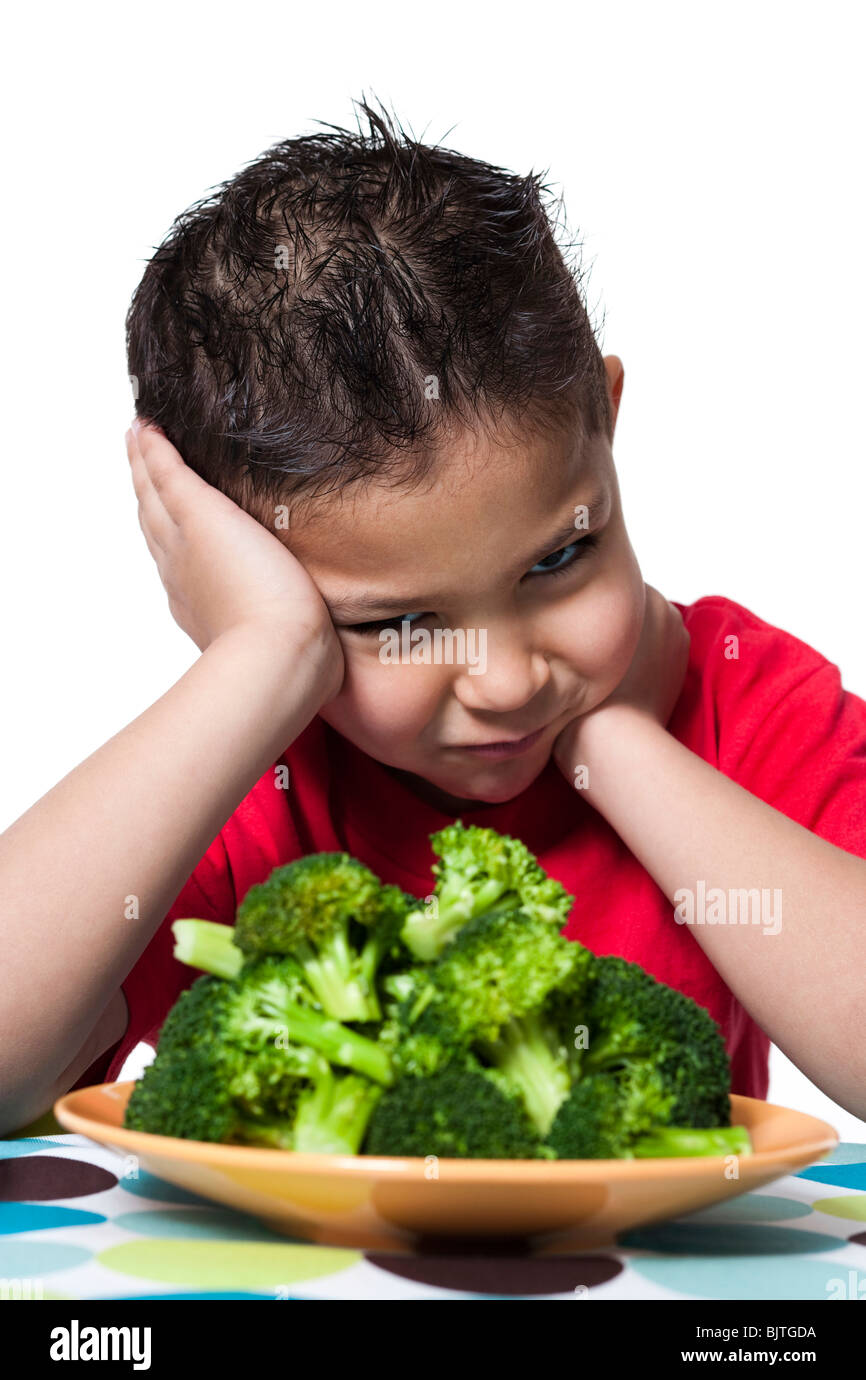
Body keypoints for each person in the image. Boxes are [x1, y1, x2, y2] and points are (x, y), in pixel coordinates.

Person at [2, 99, 865, 1137]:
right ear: (242, 571)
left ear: (607, 422)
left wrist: (618, 742)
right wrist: (258, 662)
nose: (504, 680)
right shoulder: (251, 771)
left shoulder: (746, 702)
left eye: (558, 557)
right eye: (392, 624)